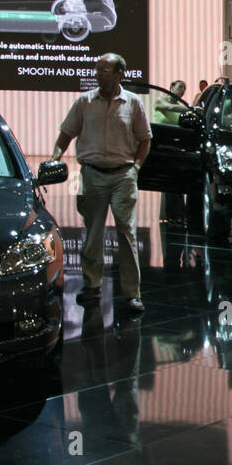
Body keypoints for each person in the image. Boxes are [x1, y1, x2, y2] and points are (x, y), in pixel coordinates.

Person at [53, 53, 151, 314]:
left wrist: (136, 168)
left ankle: (132, 293)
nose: (98, 74)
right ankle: (91, 286)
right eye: (97, 69)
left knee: (127, 234)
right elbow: (66, 133)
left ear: (120, 73)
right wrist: (55, 158)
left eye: (105, 70)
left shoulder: (133, 103)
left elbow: (145, 139)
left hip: (123, 176)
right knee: (93, 232)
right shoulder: (84, 102)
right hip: (92, 175)